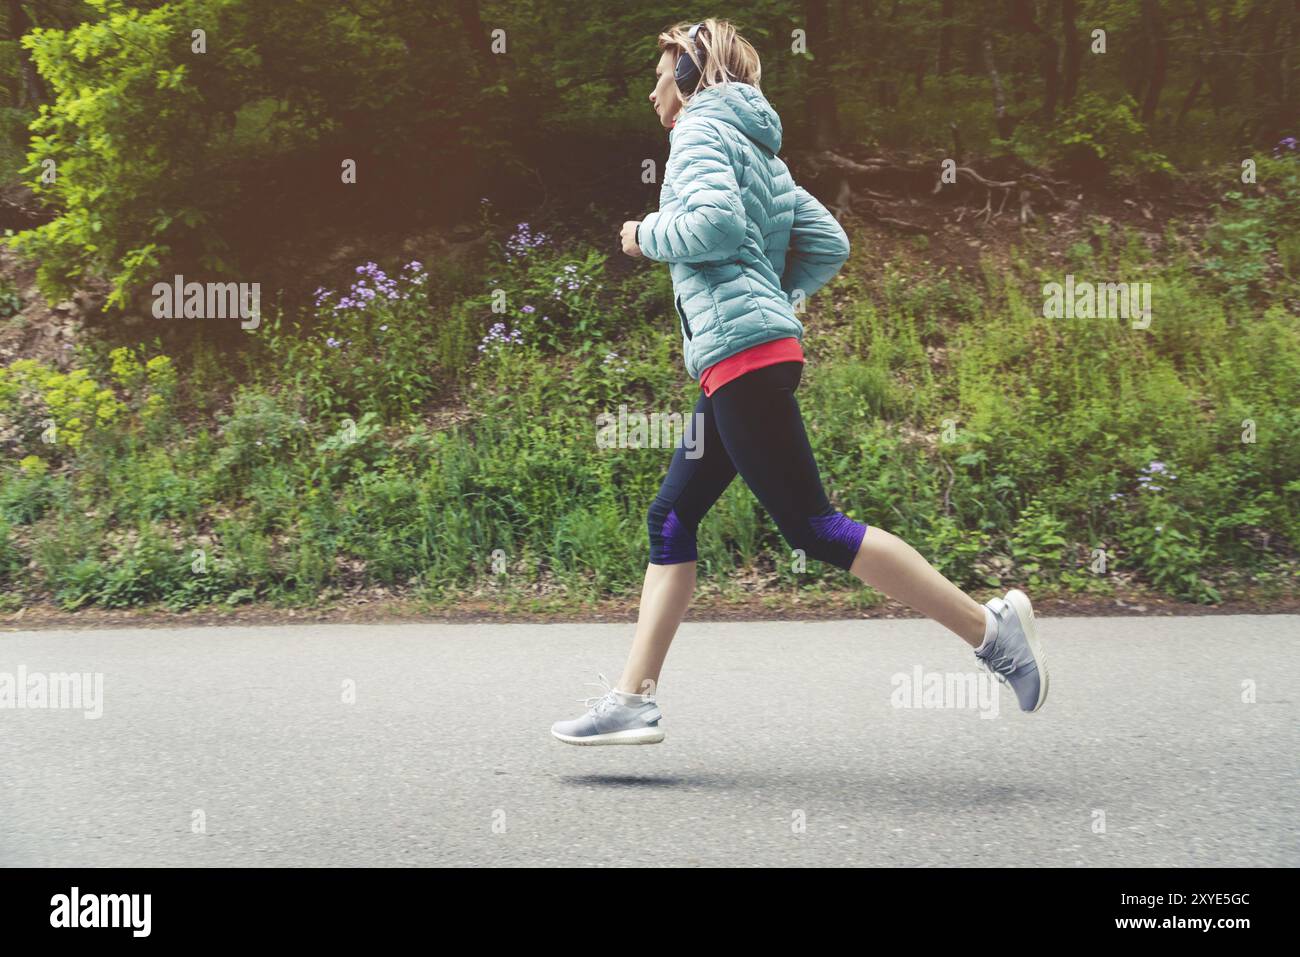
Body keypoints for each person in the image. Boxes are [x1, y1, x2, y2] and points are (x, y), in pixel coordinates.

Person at [551, 18, 1048, 746]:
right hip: (747, 354)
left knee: (813, 526)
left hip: (743, 357)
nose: (652, 88)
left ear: (689, 80)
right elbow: (828, 243)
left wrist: (643, 235)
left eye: (662, 73)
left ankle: (990, 630)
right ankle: (633, 698)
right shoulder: (761, 153)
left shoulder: (695, 135)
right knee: (670, 517)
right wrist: (769, 298)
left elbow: (714, 227)